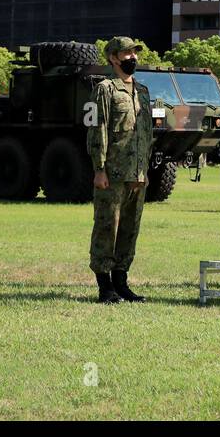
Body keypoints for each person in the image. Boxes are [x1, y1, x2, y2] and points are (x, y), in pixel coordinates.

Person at [87, 36, 154, 304]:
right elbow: (96, 130)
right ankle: (105, 286)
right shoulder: (104, 89)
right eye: (127, 54)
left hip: (136, 174)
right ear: (113, 58)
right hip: (112, 174)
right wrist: (99, 168)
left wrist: (144, 169)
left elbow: (146, 134)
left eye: (135, 53)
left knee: (129, 229)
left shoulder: (143, 91)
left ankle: (121, 282)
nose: (133, 58)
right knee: (107, 227)